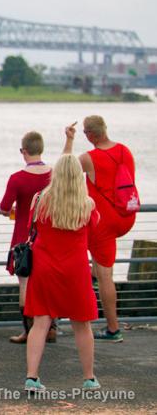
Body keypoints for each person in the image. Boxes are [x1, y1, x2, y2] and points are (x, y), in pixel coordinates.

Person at [23, 154, 101, 393]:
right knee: (82, 324)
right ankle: (89, 378)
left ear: (55, 174)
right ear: (79, 176)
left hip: (45, 267)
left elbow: (30, 228)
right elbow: (95, 230)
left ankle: (32, 377)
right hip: (75, 269)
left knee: (41, 322)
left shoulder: (40, 200)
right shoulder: (87, 204)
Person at [65, 116, 136, 343]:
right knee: (98, 266)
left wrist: (69, 139)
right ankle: (87, 289)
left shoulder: (89, 158)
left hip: (102, 222)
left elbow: (64, 169)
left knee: (105, 275)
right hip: (126, 215)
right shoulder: (125, 151)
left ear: (90, 135)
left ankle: (113, 329)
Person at [0, 131, 54, 344]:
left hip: (24, 236)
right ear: (41, 149)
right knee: (48, 285)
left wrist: (13, 209)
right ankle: (51, 328)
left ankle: (29, 331)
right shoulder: (54, 174)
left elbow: (4, 207)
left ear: (23, 151)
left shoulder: (17, 178)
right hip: (49, 235)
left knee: (26, 284)